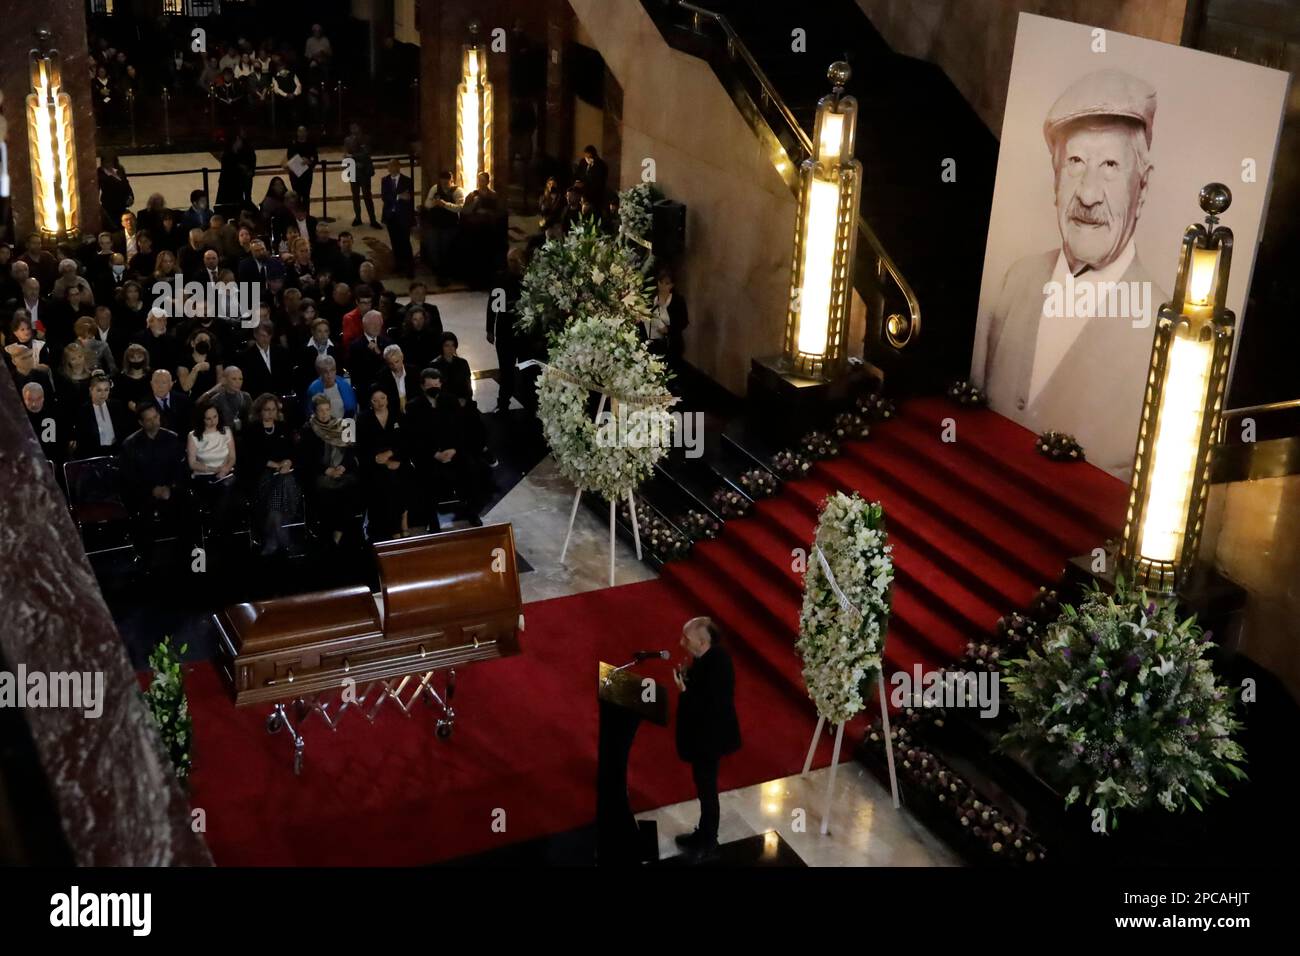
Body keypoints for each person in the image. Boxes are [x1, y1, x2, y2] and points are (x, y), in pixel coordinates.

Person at [972, 69, 1167, 478]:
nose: (1089, 194)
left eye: (1111, 165)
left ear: (1142, 188)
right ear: (1056, 178)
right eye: (1076, 162)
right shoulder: (1017, 280)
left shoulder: (1163, 330)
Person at [672, 616, 741, 855]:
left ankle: (708, 839)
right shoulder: (710, 657)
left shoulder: (718, 664)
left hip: (709, 740)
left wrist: (684, 692)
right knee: (704, 787)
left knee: (707, 790)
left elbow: (708, 706)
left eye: (686, 639)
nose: (682, 642)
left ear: (703, 643)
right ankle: (704, 833)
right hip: (707, 736)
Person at [118, 401, 188, 572]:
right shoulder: (130, 445)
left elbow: (181, 469)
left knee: (188, 506)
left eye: (156, 417)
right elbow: (129, 478)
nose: (154, 422)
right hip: (143, 493)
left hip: (171, 490)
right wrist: (151, 490)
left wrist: (170, 488)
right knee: (142, 515)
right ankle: (146, 562)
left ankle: (186, 557)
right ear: (141, 423)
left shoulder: (172, 438)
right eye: (149, 420)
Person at [244, 393, 303, 556]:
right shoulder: (252, 430)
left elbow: (294, 452)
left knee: (284, 482)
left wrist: (288, 462)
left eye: (273, 410)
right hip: (262, 474)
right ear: (259, 411)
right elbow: (251, 457)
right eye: (266, 410)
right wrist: (274, 465)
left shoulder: (284, 427)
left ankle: (272, 539)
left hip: (285, 473)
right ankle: (284, 538)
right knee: (280, 486)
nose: (270, 413)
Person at [297, 392, 360, 545]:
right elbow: (307, 459)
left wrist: (342, 467)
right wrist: (327, 470)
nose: (324, 414)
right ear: (314, 411)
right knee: (327, 491)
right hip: (320, 472)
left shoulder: (344, 425)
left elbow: (352, 453)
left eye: (327, 409)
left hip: (343, 470)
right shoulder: (307, 429)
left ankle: (341, 530)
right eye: (320, 410)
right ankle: (331, 532)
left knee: (350, 487)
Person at [356, 386, 411, 540]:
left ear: (387, 399)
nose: (380, 403)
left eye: (382, 398)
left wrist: (393, 455)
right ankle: (396, 525)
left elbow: (406, 442)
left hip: (399, 459)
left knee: (402, 476)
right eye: (375, 400)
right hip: (375, 464)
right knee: (387, 480)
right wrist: (377, 459)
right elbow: (360, 447)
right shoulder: (363, 419)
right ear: (370, 402)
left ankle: (403, 518)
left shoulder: (398, 415)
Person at [187, 400, 239, 530]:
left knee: (227, 488)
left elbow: (232, 457)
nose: (213, 421)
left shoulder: (226, 431)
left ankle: (215, 528)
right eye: (208, 418)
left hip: (226, 474)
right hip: (204, 477)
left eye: (215, 417)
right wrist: (214, 469)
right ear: (202, 419)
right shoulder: (193, 436)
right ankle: (220, 530)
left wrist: (225, 469)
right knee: (222, 494)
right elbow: (192, 463)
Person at [486, 248, 525, 413]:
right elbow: (494, 305)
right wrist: (490, 329)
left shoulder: (530, 279)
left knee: (527, 370)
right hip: (505, 333)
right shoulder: (501, 279)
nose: (514, 264)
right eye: (511, 261)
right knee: (506, 370)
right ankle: (503, 403)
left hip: (525, 334)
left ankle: (529, 400)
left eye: (517, 260)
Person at [71, 371, 130, 459]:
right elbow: (82, 438)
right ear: (91, 390)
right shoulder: (83, 410)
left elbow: (123, 430)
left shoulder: (116, 406)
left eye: (106, 390)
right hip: (93, 454)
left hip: (116, 452)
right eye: (99, 390)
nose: (103, 394)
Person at [422, 170, 464, 284]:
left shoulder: (457, 191)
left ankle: (446, 274)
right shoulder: (435, 189)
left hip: (449, 225)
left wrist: (445, 204)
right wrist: (434, 203)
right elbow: (427, 204)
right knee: (434, 249)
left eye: (447, 182)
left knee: (447, 249)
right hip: (435, 224)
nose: (444, 185)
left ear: (451, 181)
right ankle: (438, 271)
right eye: (442, 182)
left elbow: (460, 207)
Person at [647, 267, 689, 366]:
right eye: (660, 282)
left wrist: (668, 330)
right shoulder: (651, 298)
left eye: (667, 283)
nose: (663, 286)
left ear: (672, 285)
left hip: (671, 345)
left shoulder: (677, 300)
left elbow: (683, 322)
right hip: (652, 344)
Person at [347, 310, 392, 400]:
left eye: (379, 324)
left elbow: (391, 366)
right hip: (365, 389)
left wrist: (378, 352)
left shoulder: (388, 342)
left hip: (385, 387)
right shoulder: (355, 346)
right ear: (364, 326)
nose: (376, 327)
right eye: (373, 324)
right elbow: (356, 372)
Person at [343, 125, 380, 228]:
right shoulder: (347, 140)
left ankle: (373, 220)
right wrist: (352, 160)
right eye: (353, 128)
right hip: (353, 170)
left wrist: (353, 156)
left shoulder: (366, 138)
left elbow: (366, 153)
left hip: (364, 171)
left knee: (367, 196)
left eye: (356, 128)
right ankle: (358, 218)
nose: (354, 130)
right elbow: (346, 154)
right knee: (355, 196)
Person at [216, 131, 257, 218]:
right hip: (227, 188)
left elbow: (250, 169)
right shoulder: (228, 154)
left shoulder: (244, 152)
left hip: (238, 188)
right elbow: (229, 169)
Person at [199, 365, 251, 434]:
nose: (238, 382)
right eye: (234, 379)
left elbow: (251, 421)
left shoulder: (246, 397)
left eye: (240, 379)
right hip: (223, 438)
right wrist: (212, 391)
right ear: (225, 380)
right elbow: (198, 405)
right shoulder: (216, 400)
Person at [304, 354, 357, 420]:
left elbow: (352, 409)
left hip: (344, 425)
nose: (330, 375)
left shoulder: (345, 385)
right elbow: (310, 413)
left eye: (332, 370)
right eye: (325, 372)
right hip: (322, 427)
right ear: (320, 373)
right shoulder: (313, 389)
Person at [113, 343, 153, 413]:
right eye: (132, 357)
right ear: (127, 359)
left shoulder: (152, 375)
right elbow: (118, 398)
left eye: (139, 357)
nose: (136, 360)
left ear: (145, 357)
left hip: (150, 411)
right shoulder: (120, 378)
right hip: (127, 413)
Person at [97, 153, 135, 226]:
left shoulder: (120, 170)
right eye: (107, 162)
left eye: (110, 162)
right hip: (108, 206)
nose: (109, 164)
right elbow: (96, 189)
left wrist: (130, 196)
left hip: (121, 205)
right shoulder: (100, 172)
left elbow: (126, 185)